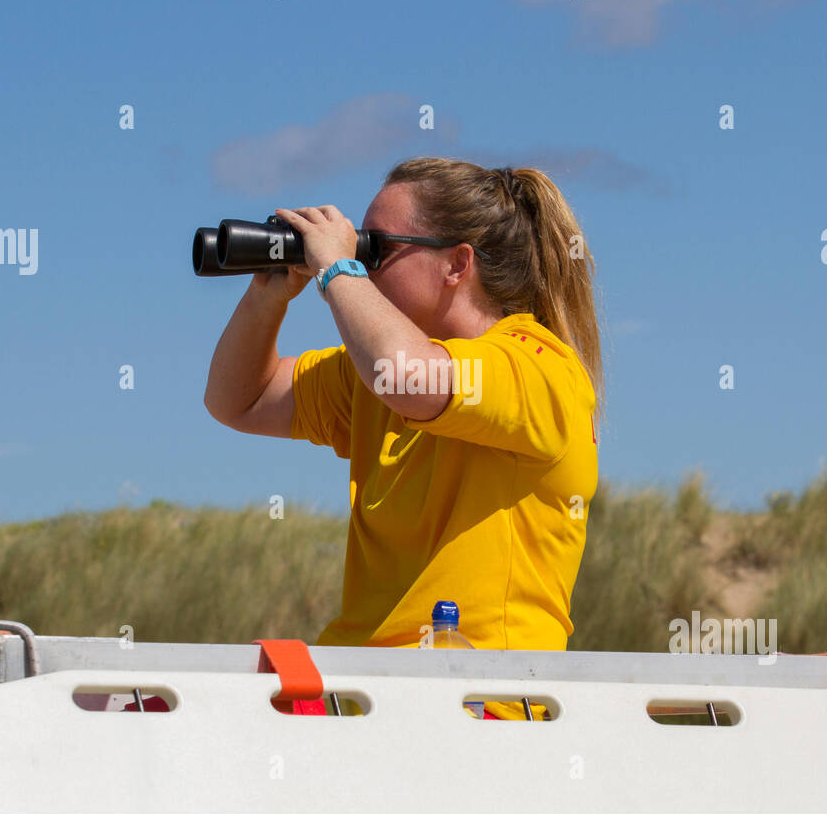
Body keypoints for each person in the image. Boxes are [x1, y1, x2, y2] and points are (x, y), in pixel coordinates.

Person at [204, 159, 601, 654]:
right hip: (368, 690)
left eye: (376, 249)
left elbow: (412, 376)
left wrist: (339, 269)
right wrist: (268, 298)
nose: (362, 265)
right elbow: (239, 400)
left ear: (456, 264)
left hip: (481, 700)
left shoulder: (539, 368)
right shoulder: (374, 380)